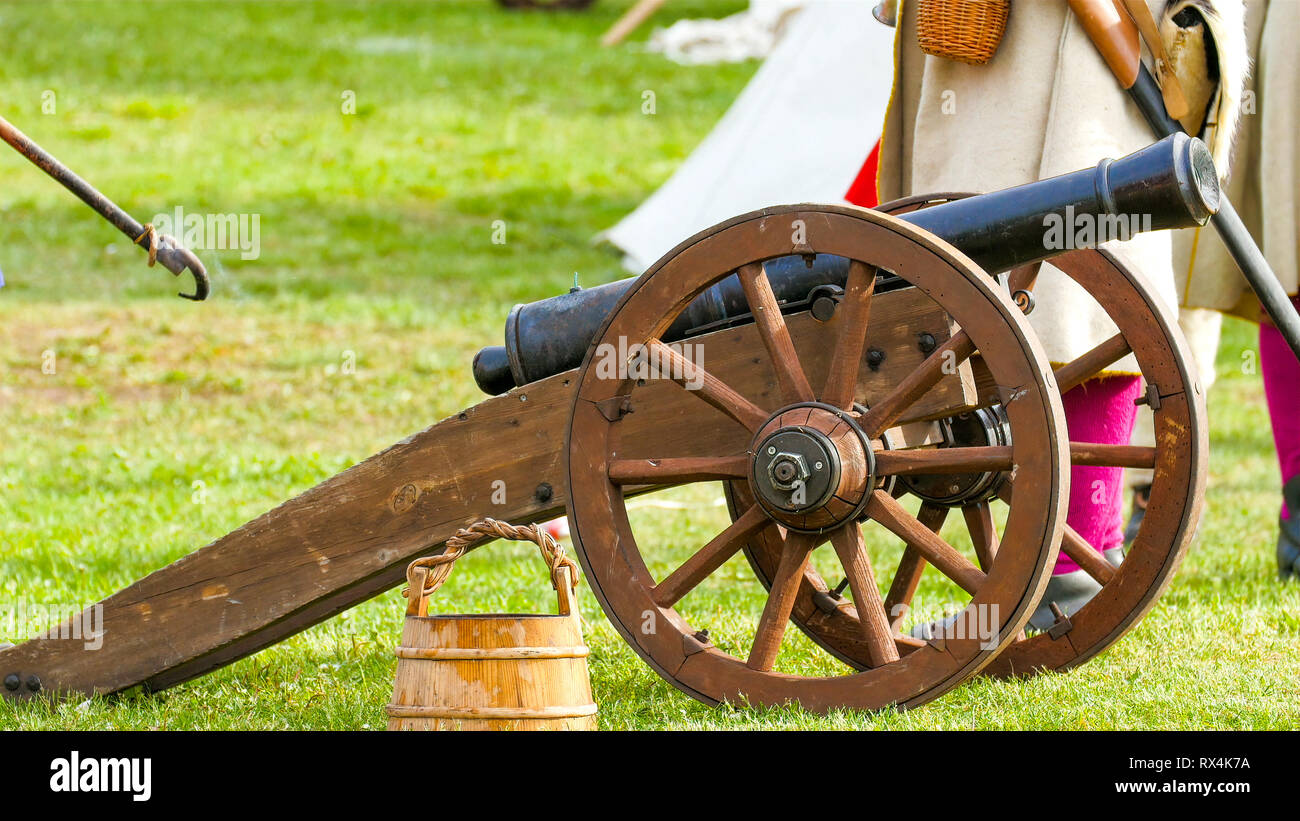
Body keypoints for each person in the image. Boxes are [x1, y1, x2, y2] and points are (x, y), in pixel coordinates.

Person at [876, 0, 1250, 625]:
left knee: (1092, 297)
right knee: (981, 272)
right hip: (989, 34)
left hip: (1094, 44)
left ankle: (1077, 566)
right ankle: (1070, 558)